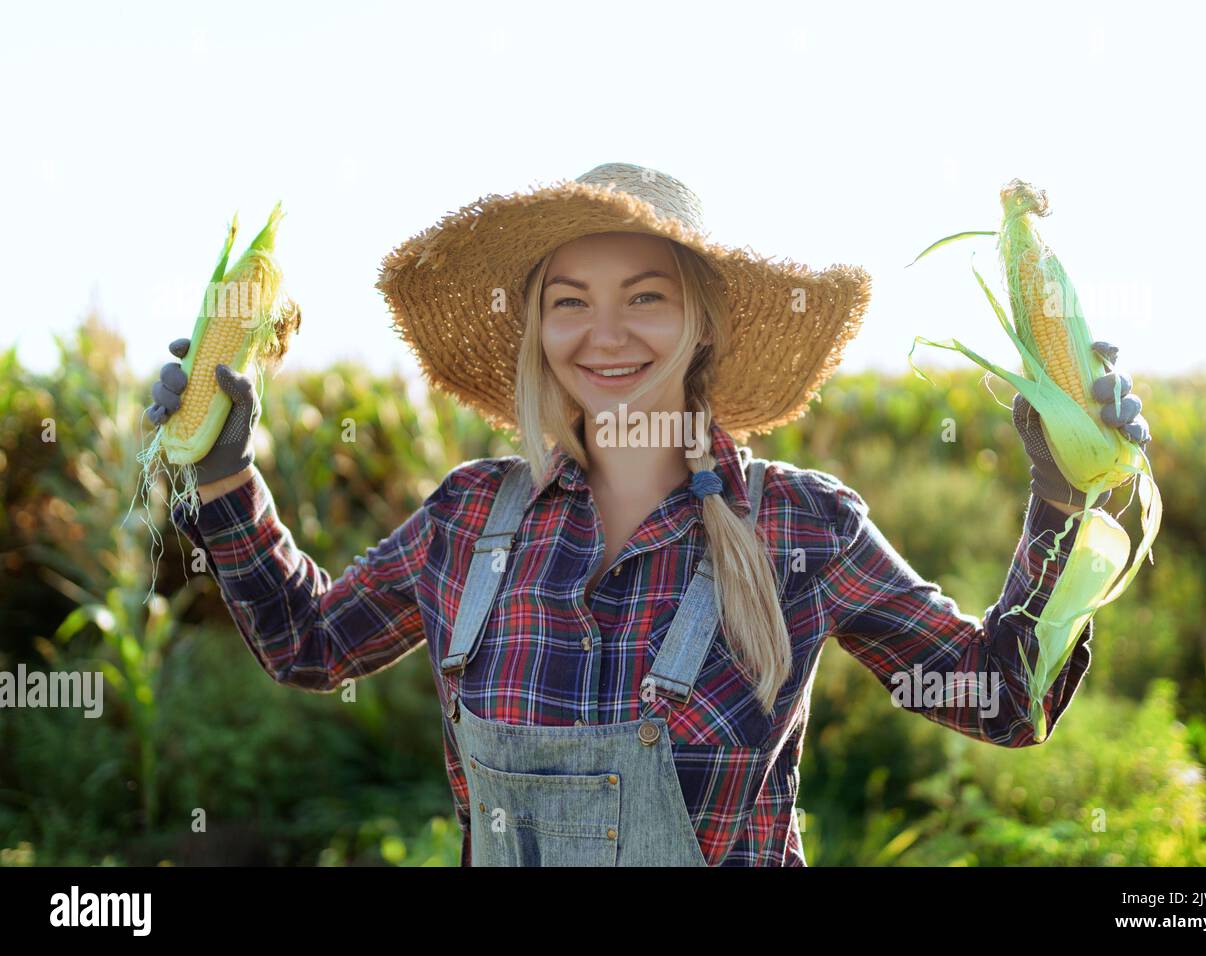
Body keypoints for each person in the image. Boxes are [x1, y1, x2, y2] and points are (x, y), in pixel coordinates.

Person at [145, 162, 1151, 867]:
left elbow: (1000, 697)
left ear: (704, 320)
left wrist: (1065, 497)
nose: (605, 334)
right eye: (569, 300)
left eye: (646, 297)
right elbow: (311, 644)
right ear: (537, 326)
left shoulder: (798, 528)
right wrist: (226, 475)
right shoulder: (468, 519)